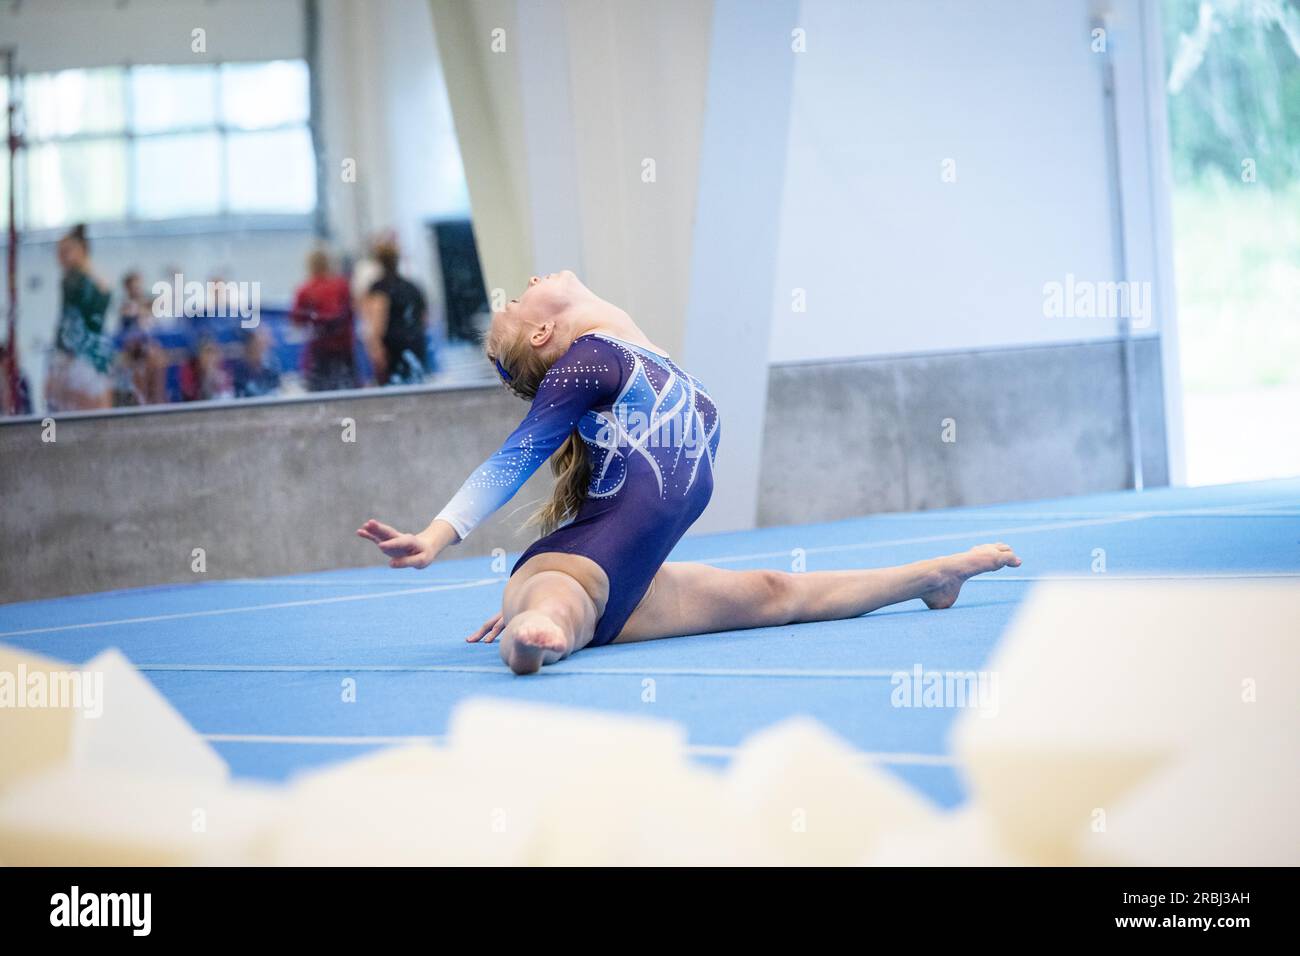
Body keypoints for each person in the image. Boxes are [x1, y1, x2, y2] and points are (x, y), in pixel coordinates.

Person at [358, 271, 1021, 675]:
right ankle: (534, 642)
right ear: (540, 337)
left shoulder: (659, 368)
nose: (528, 282)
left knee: (776, 590)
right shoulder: (586, 362)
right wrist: (439, 535)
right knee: (553, 615)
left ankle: (934, 578)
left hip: (639, 586)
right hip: (575, 572)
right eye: (516, 302)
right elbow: (520, 453)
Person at [46, 224, 113, 411]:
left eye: (65, 251)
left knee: (89, 412)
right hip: (77, 355)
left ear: (81, 250)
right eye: (59, 251)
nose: (59, 256)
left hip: (84, 357)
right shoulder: (72, 279)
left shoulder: (80, 279)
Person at [361, 238, 428, 385]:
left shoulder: (378, 288)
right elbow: (424, 319)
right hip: (414, 344)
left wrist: (375, 348)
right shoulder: (412, 287)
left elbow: (377, 322)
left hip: (392, 349)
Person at [291, 248, 356, 392]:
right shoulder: (341, 285)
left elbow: (296, 320)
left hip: (319, 350)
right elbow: (351, 311)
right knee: (349, 392)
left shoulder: (305, 289)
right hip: (343, 349)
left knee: (319, 394)